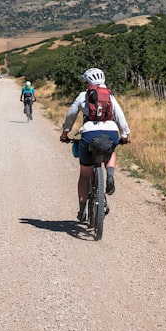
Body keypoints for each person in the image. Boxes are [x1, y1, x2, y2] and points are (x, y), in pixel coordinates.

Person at [60, 67, 130, 222]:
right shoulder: (110, 96)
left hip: (89, 133)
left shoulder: (83, 96)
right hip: (110, 132)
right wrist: (124, 135)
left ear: (88, 81)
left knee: (85, 174)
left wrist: (65, 133)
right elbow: (120, 116)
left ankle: (82, 211)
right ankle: (110, 174)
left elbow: (70, 115)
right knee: (111, 152)